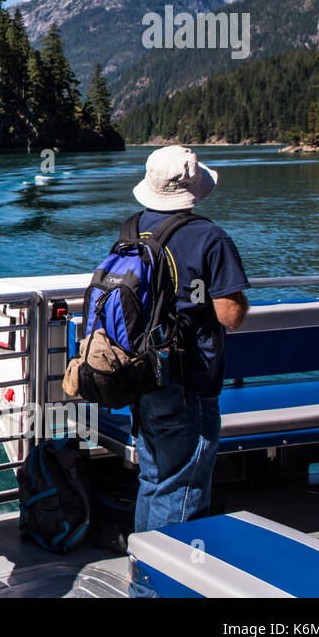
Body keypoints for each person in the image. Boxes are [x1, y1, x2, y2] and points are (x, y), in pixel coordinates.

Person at [127, 145, 249, 533]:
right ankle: (163, 585)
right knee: (183, 486)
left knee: (153, 478)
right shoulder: (209, 237)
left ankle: (142, 574)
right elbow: (231, 315)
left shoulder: (132, 228)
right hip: (189, 380)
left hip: (143, 371)